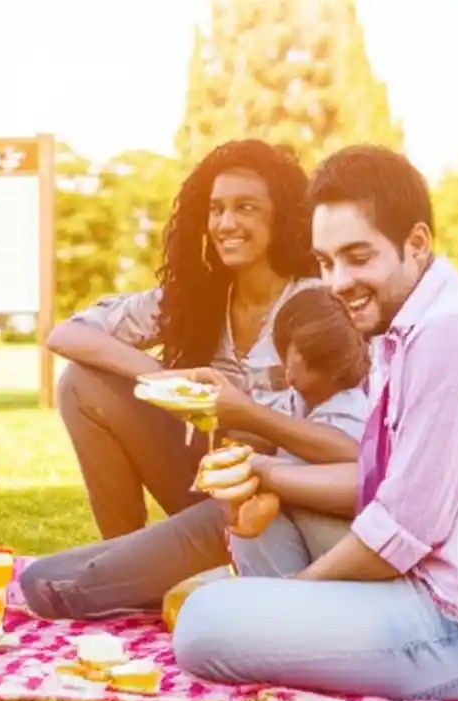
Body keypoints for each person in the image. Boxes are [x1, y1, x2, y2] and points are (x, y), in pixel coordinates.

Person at [172, 145, 458, 701]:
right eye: (327, 261)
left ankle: (270, 621)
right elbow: (380, 487)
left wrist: (297, 599)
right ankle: (279, 624)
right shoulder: (404, 326)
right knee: (267, 504)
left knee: (203, 623)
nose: (338, 281)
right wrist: (261, 482)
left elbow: (401, 531)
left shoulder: (453, 335)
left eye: (359, 257)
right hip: (425, 587)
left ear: (417, 244)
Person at [19, 286, 369, 620]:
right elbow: (262, 429)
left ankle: (140, 589)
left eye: (298, 363)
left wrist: (249, 425)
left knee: (50, 585)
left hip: (256, 534)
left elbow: (352, 453)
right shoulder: (302, 398)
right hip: (238, 525)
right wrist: (213, 405)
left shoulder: (350, 405)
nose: (288, 372)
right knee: (47, 576)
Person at [47, 139, 323, 540]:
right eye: (216, 209)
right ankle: (121, 547)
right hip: (204, 488)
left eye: (246, 207)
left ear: (283, 216)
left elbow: (340, 432)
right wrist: (160, 374)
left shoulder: (314, 302)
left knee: (63, 586)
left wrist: (246, 415)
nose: (225, 224)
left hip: (278, 506)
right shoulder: (199, 298)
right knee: (80, 383)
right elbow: (66, 334)